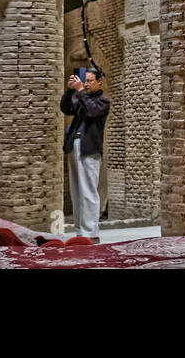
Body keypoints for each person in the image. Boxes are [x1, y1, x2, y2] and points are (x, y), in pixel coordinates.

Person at [60, 66, 109, 242]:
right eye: (84, 81)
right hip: (74, 145)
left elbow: (91, 111)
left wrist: (80, 91)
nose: (86, 84)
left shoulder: (102, 101)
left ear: (99, 82)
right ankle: (80, 232)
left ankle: (91, 233)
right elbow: (66, 108)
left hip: (89, 149)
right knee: (76, 192)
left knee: (88, 191)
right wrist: (69, 90)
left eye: (89, 81)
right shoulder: (82, 98)